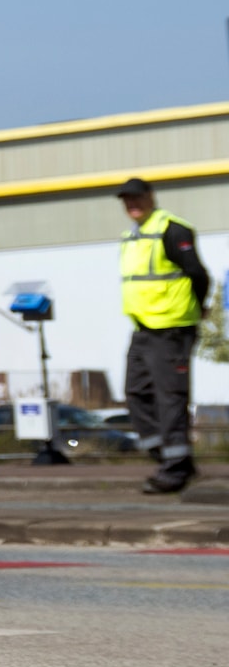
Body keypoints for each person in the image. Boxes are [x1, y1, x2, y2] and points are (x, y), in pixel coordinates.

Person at [115, 177, 207, 494]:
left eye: (137, 198)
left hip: (171, 328)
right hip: (142, 328)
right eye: (126, 200)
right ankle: (167, 455)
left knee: (171, 398)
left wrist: (199, 307)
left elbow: (198, 273)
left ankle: (175, 469)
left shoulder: (171, 229)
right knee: (136, 393)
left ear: (151, 196)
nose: (132, 204)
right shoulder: (132, 236)